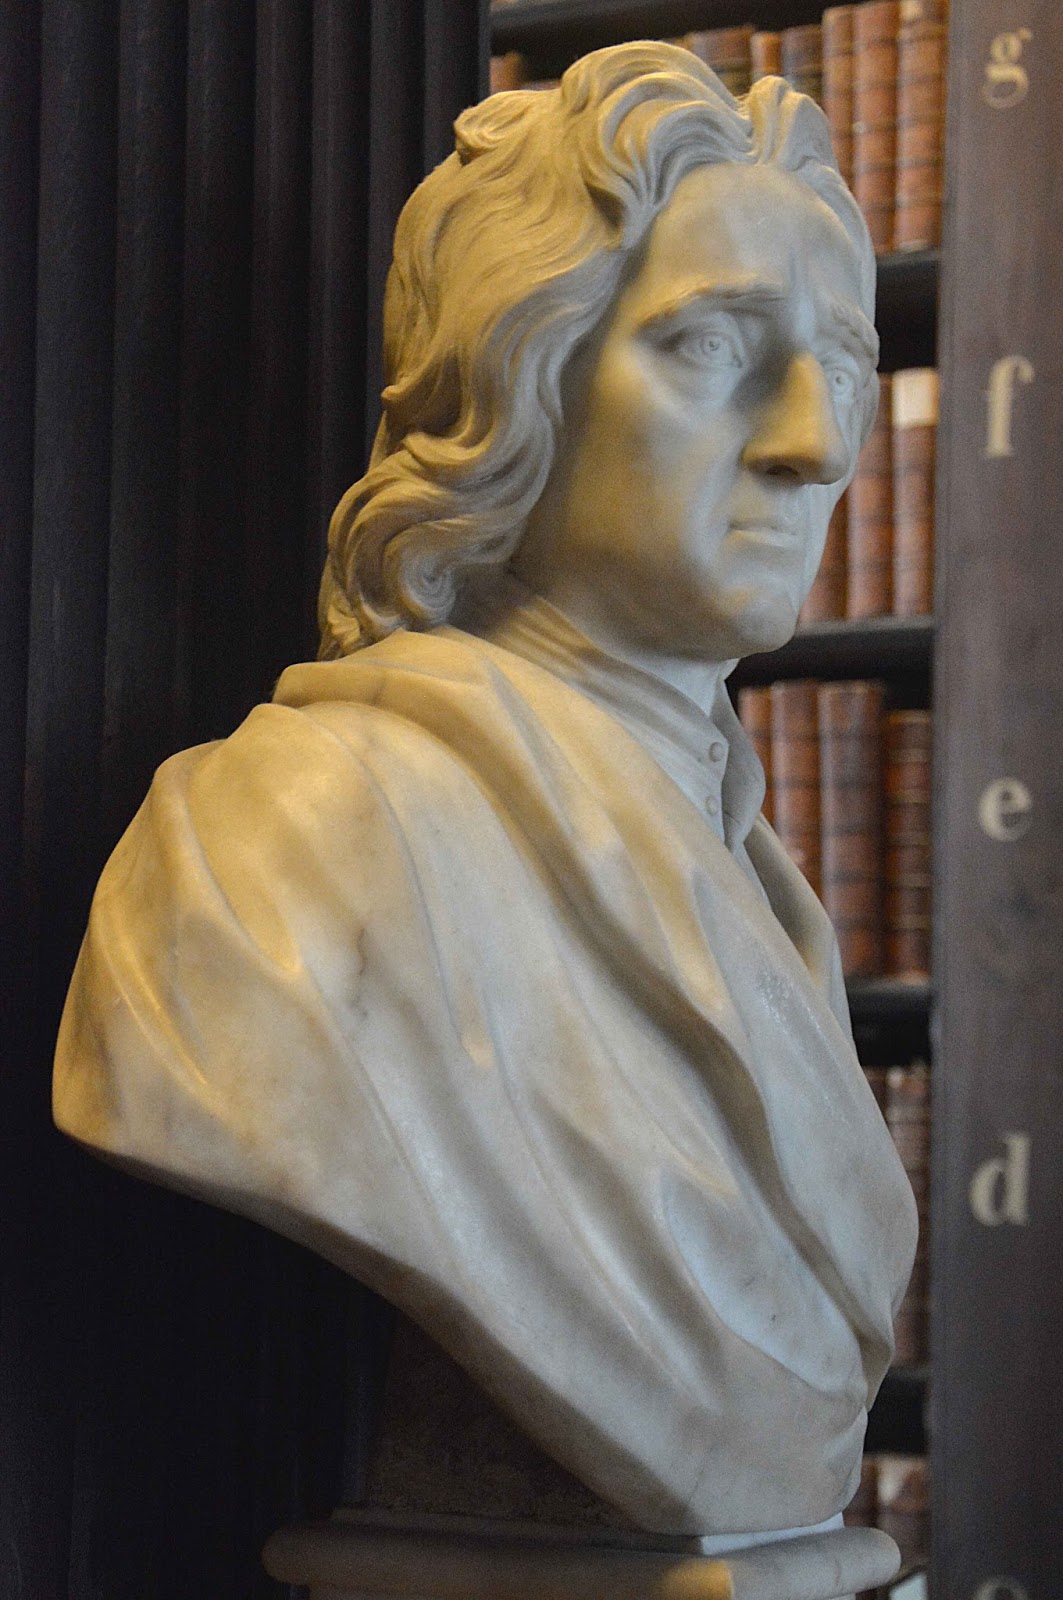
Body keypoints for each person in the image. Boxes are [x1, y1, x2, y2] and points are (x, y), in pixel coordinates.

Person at [54, 43, 916, 1543]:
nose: (813, 444)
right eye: (714, 344)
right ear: (521, 374)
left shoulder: (766, 888)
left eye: (841, 363)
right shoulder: (292, 848)